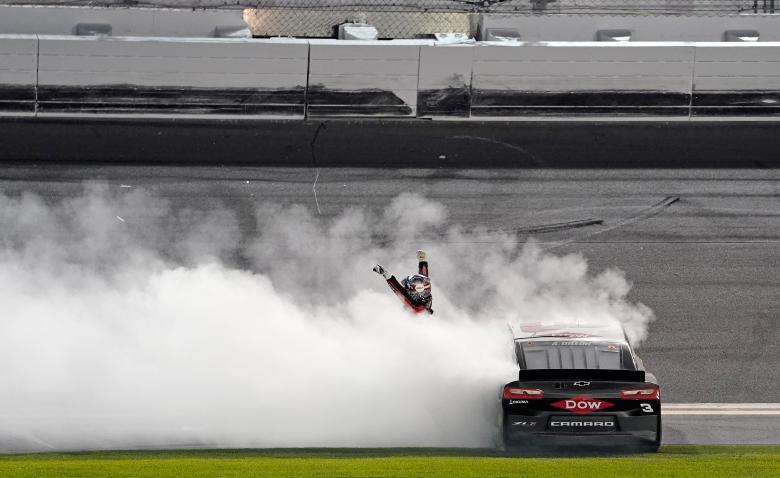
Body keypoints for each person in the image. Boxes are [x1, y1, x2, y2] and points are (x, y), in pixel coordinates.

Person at [373, 250, 433, 315]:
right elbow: (423, 275)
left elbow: (398, 289)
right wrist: (422, 260)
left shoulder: (416, 305)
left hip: (412, 318)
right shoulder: (424, 290)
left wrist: (385, 274)